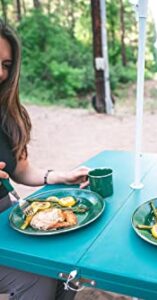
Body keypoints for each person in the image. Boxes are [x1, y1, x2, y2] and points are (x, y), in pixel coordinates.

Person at [0, 19, 90, 299]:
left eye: (5, 65)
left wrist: (57, 176)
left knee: (68, 266)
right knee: (37, 279)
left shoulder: (6, 112)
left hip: (8, 219)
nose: (0, 74)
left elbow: (21, 169)